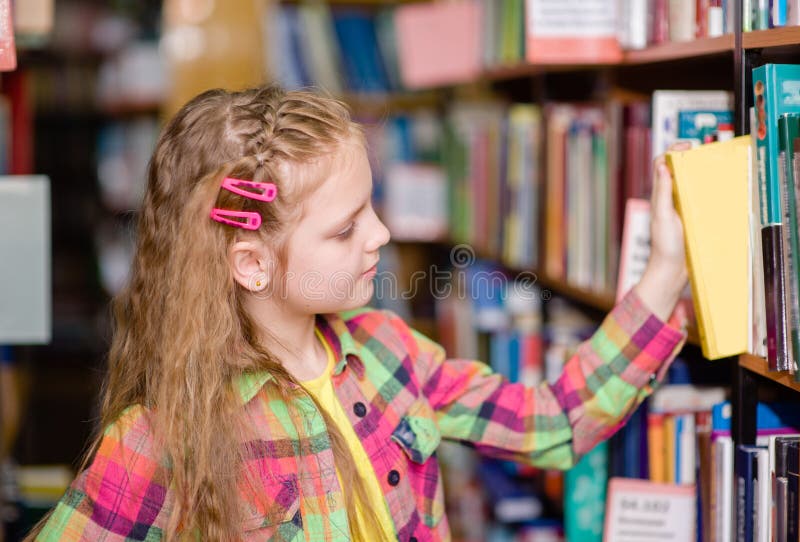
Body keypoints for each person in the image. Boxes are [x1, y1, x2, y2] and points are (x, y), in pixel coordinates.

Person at [28, 86, 687, 542]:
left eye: (371, 207)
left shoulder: (390, 352)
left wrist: (663, 275)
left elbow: (554, 422)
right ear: (252, 264)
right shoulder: (163, 436)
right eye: (345, 230)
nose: (381, 234)